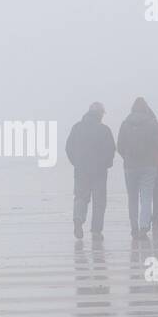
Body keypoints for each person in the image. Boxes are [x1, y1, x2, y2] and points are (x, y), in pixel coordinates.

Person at [65, 102, 115, 240]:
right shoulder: (104, 130)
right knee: (99, 202)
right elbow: (111, 149)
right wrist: (107, 164)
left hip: (81, 170)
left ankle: (78, 220)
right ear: (100, 114)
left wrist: (76, 162)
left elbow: (68, 148)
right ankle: (96, 231)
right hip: (99, 171)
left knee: (81, 197)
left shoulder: (77, 128)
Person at [116, 97, 158, 239]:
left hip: (130, 166)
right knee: (146, 197)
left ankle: (134, 227)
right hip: (149, 165)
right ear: (146, 109)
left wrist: (127, 157)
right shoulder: (152, 124)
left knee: (132, 198)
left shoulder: (125, 124)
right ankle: (144, 227)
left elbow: (119, 146)